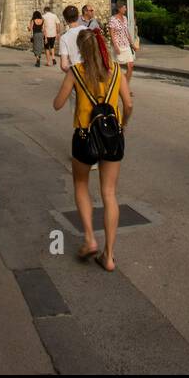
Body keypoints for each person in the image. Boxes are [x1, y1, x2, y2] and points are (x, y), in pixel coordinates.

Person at [53, 28, 132, 271]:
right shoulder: (115, 72)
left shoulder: (76, 72)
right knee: (109, 193)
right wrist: (122, 125)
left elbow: (57, 104)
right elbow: (128, 104)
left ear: (80, 50)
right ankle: (109, 256)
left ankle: (89, 238)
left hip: (85, 136)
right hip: (112, 136)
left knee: (81, 185)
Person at [108, 1, 138, 84]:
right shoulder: (112, 19)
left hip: (126, 45)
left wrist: (132, 44)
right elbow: (112, 34)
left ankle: (125, 86)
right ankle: (116, 85)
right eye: (124, 7)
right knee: (116, 68)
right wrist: (116, 46)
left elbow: (126, 32)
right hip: (118, 46)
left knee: (130, 66)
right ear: (119, 9)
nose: (125, 9)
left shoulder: (125, 18)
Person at [58, 5, 88, 70]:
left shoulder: (64, 38)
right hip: (91, 69)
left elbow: (64, 65)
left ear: (65, 19)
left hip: (76, 71)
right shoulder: (88, 30)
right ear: (78, 16)